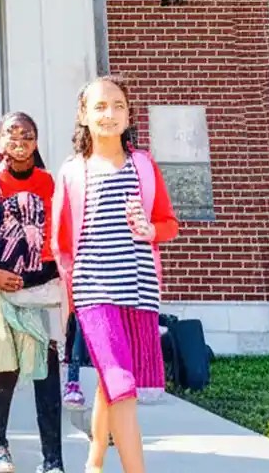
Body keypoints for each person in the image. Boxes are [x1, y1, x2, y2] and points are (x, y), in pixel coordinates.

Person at [54, 76, 179, 473]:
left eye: (118, 106)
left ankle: (93, 462)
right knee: (121, 381)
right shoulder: (73, 171)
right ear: (84, 115)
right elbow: (61, 244)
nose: (109, 113)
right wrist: (68, 298)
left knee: (114, 384)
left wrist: (151, 231)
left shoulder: (143, 166)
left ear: (128, 116)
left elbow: (168, 224)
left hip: (138, 289)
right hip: (93, 291)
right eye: (100, 106)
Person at [0, 112, 65, 473]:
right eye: (11, 133)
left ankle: (53, 461)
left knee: (46, 375)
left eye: (28, 134)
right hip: (1, 292)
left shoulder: (51, 182)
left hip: (40, 291)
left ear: (37, 142)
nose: (19, 140)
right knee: (3, 375)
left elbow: (60, 235)